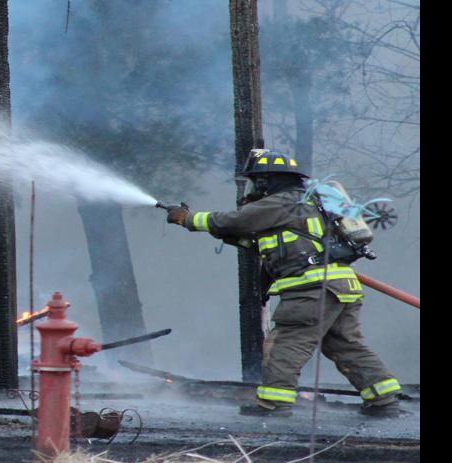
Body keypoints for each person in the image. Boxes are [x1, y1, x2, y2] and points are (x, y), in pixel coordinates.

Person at [166, 150, 402, 417]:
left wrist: (188, 219)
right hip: (340, 287)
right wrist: (226, 235)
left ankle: (275, 404)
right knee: (345, 345)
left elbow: (235, 220)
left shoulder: (281, 202)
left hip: (312, 289)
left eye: (257, 181)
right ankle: (384, 401)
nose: (256, 187)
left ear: (268, 180)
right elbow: (258, 240)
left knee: (286, 343)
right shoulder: (303, 203)